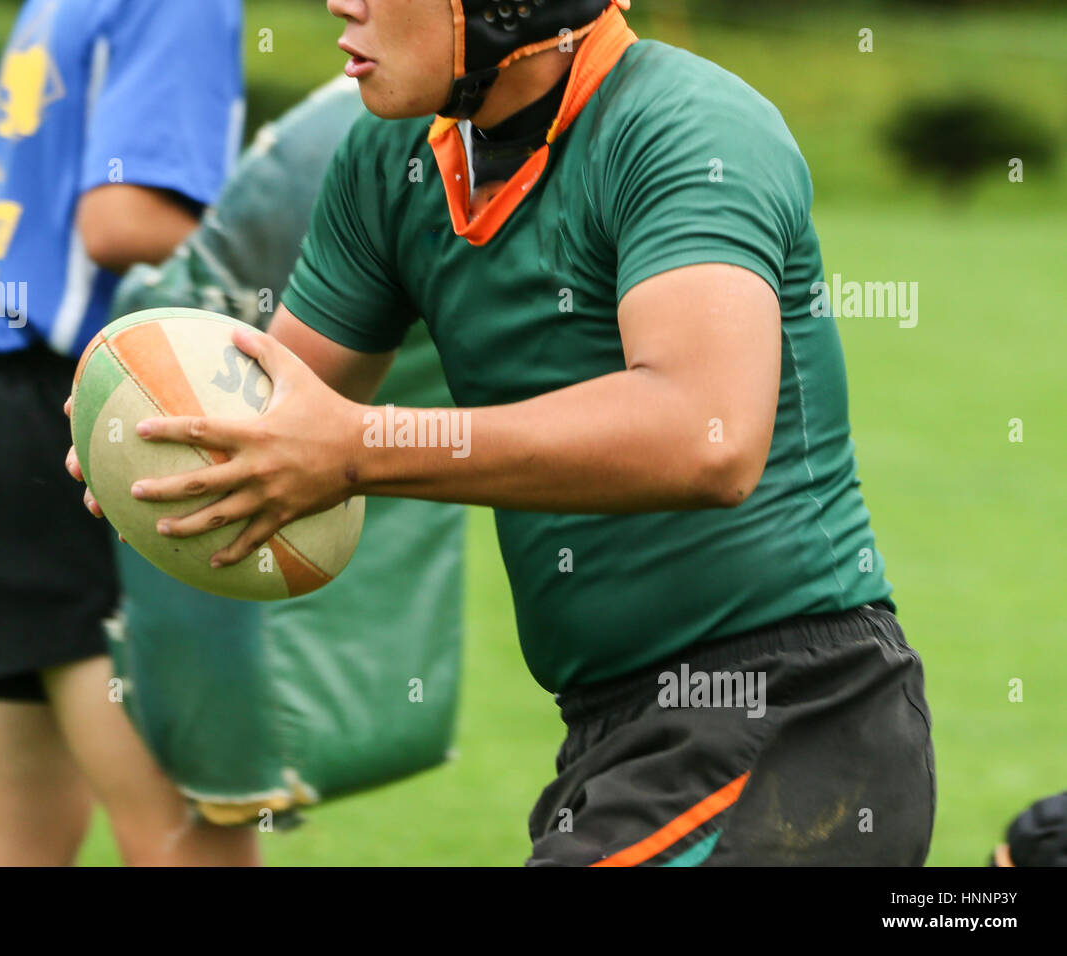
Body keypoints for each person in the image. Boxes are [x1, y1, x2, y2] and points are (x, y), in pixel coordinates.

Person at [71, 0, 936, 866]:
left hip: (791, 718)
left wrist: (361, 449)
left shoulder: (687, 126)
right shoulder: (392, 161)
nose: (342, 1)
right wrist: (152, 437)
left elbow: (705, 434)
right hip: (615, 734)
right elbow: (276, 412)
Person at [0, 0, 252, 865]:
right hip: (86, 435)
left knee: (8, 849)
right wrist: (324, 280)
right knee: (193, 844)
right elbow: (122, 224)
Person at [106, 75, 466, 828]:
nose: (342, 6)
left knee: (21, 831)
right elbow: (114, 224)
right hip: (57, 398)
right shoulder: (379, 140)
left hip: (6, 395)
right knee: (171, 829)